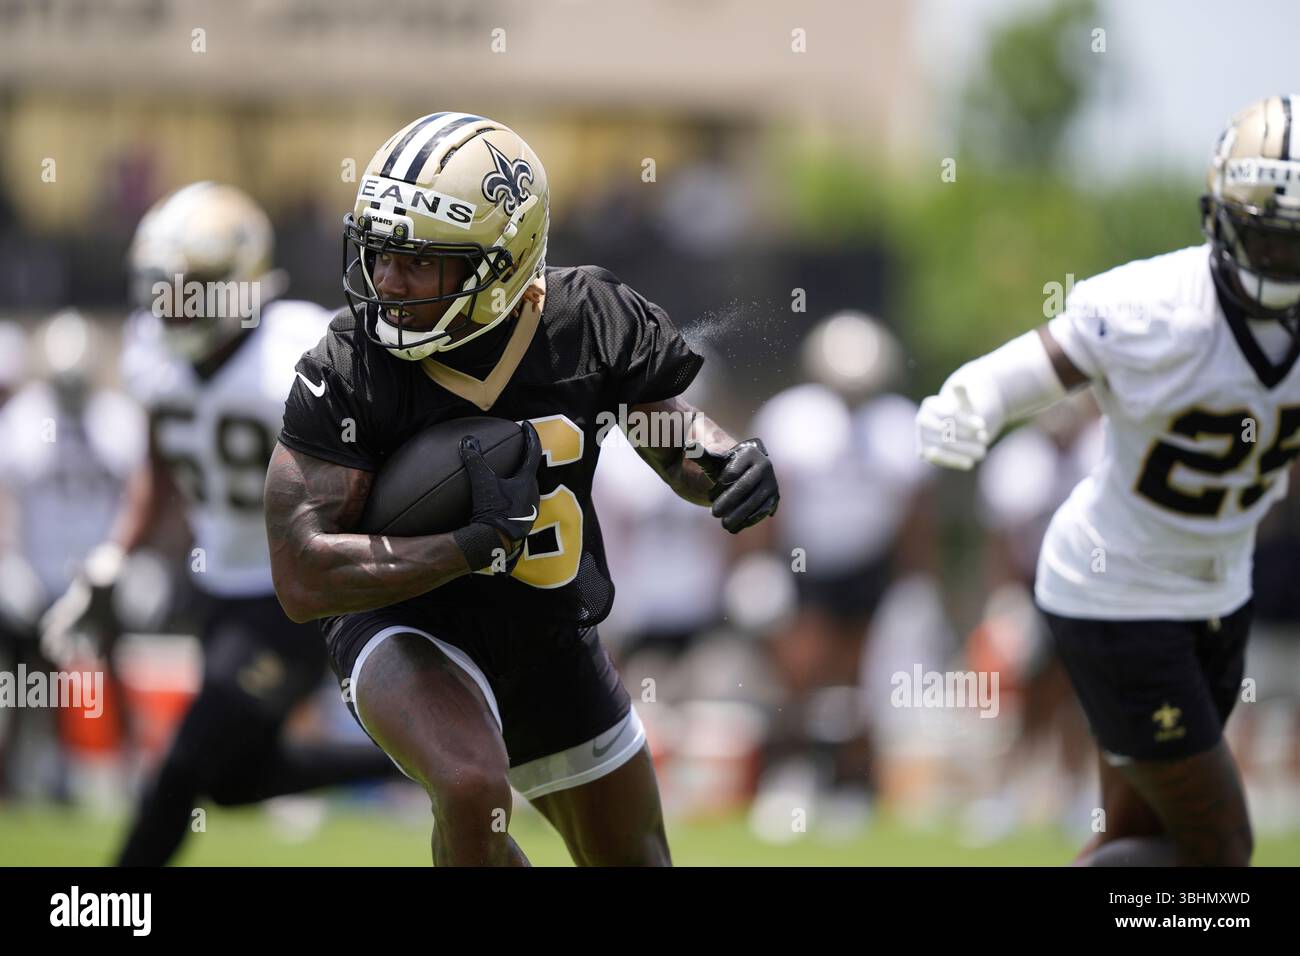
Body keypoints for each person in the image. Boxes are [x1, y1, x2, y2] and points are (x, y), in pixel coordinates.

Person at [264, 113, 780, 866]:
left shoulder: (588, 320)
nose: (386, 281)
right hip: (407, 625)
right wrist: (463, 546)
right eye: (379, 253)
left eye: (417, 261)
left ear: (503, 264)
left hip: (549, 627)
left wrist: (729, 463)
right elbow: (301, 573)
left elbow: (668, 437)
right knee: (474, 789)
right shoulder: (349, 362)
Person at [916, 95, 1300, 866]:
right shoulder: (1154, 307)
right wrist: (971, 404)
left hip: (1219, 593)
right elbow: (1025, 371)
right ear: (1219, 220)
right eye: (1263, 239)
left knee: (1137, 839)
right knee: (1219, 849)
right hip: (1116, 591)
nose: (1278, 263)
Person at [41, 182, 397, 866]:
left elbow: (374, 455)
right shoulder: (151, 353)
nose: (171, 306)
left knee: (180, 766)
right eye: (162, 287)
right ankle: (406, 765)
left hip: (299, 588)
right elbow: (161, 462)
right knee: (233, 781)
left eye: (189, 288)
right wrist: (116, 554)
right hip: (224, 589)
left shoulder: (298, 346)